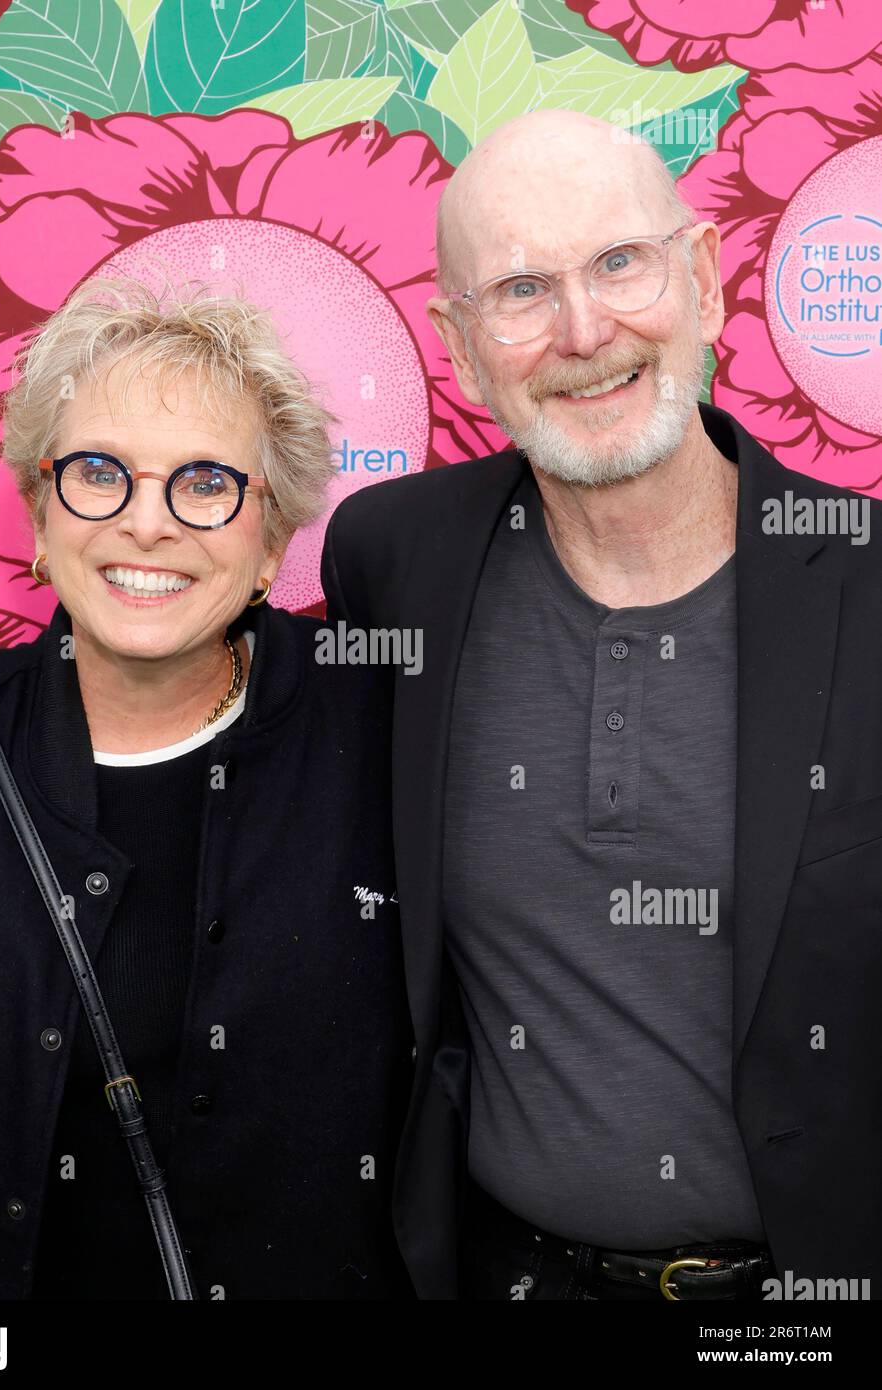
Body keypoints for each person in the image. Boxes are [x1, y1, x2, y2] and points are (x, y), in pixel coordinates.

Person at [322, 110, 882, 1301]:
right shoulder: (395, 560)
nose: (585, 332)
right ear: (463, 349)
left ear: (706, 278)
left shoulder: (869, 584)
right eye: (521, 290)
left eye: (621, 263)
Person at [0, 277, 415, 1301]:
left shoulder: (383, 732)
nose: (147, 523)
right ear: (37, 510)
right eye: (100, 472)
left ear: (273, 541)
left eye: (205, 482)